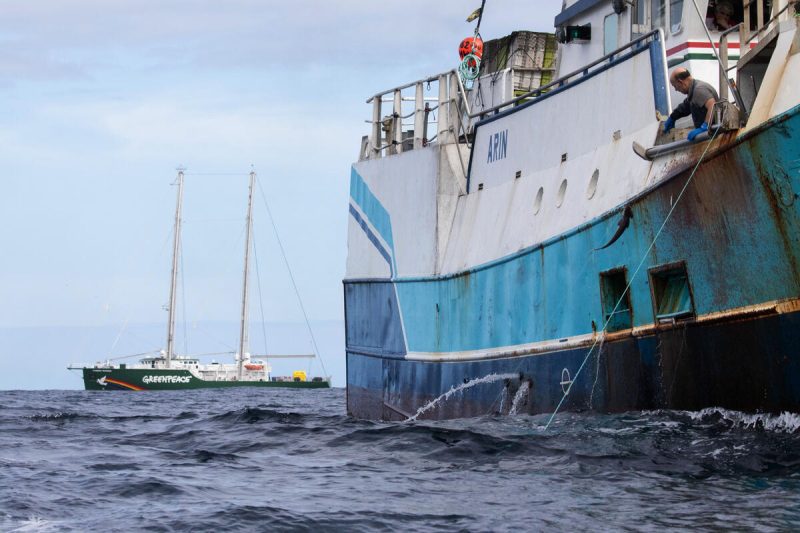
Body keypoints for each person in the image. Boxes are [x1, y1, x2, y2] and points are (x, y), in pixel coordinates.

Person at [663, 68, 719, 142]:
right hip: (709, 135)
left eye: (675, 86)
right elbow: (686, 106)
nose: (676, 90)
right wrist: (673, 117)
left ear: (680, 82)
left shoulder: (699, 90)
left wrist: (705, 126)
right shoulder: (693, 92)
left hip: (715, 135)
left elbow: (712, 106)